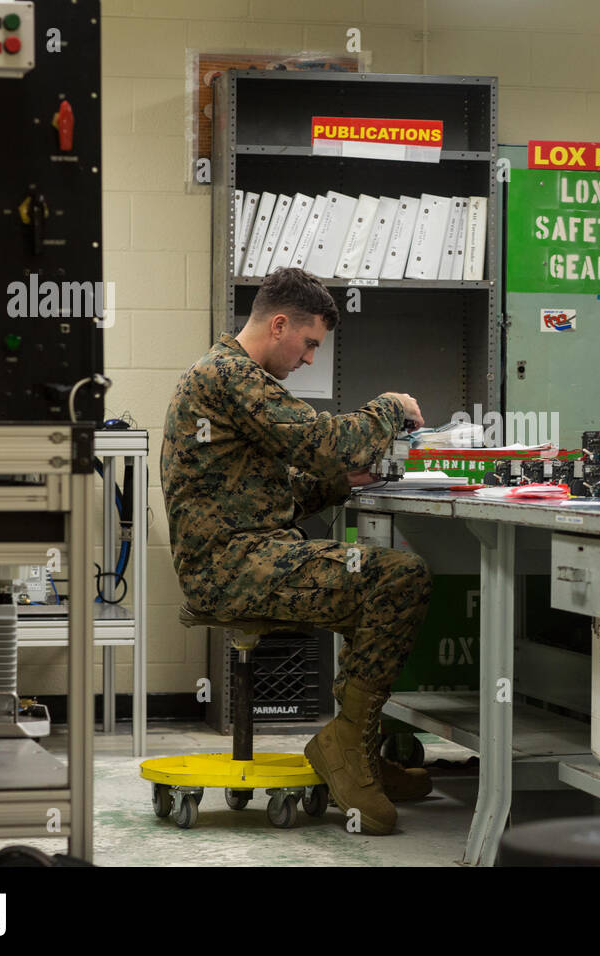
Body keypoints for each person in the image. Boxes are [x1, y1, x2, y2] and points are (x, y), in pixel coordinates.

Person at [160, 267, 433, 835]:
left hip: (245, 555)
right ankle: (342, 746)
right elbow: (330, 442)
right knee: (397, 577)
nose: (310, 359)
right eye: (309, 344)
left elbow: (278, 491)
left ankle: (353, 748)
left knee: (373, 583)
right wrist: (388, 407)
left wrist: (343, 482)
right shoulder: (228, 376)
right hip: (231, 568)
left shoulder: (227, 378)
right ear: (279, 324)